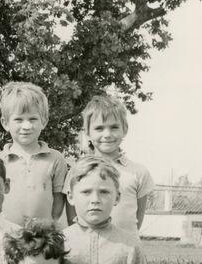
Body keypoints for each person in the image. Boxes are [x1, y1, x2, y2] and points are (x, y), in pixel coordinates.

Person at [64, 95, 154, 233]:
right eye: (99, 128)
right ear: (87, 132)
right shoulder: (77, 171)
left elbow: (136, 221)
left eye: (114, 127)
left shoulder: (138, 173)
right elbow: (73, 219)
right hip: (86, 248)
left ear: (125, 129)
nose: (107, 134)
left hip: (123, 248)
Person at [0, 82, 69, 226]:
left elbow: (58, 197)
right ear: (5, 123)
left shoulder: (56, 159)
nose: (26, 126)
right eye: (18, 119)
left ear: (44, 121)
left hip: (43, 236)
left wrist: (50, 224)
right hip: (6, 235)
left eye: (33, 119)